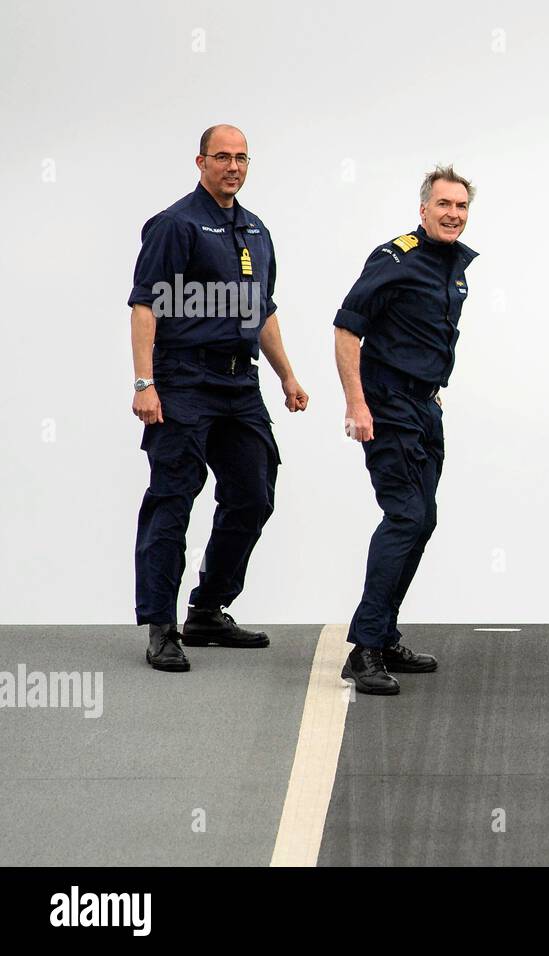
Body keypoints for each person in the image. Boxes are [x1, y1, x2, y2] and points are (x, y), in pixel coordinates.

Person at [129, 124, 309, 673]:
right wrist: (144, 384)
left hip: (240, 384)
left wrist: (287, 376)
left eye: (242, 158)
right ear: (201, 162)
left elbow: (263, 311)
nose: (233, 166)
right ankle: (161, 627)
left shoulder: (255, 230)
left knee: (254, 494)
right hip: (182, 381)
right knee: (174, 499)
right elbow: (144, 307)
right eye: (222, 157)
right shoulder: (175, 225)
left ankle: (207, 610)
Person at [333, 167, 477, 696]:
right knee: (406, 514)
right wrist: (357, 404)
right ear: (423, 210)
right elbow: (347, 327)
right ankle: (365, 649)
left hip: (423, 406)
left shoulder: (453, 266)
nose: (452, 214)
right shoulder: (395, 258)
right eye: (443, 204)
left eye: (461, 206)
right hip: (386, 405)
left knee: (424, 517)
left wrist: (431, 393)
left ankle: (385, 634)